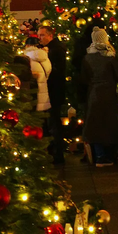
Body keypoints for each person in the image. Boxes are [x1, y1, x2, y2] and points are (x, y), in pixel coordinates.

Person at [81, 27, 118, 166]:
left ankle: (99, 155)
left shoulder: (87, 57)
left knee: (95, 125)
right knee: (109, 124)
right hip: (109, 94)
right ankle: (110, 155)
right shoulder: (110, 57)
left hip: (94, 94)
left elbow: (84, 78)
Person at [38, 25, 67, 166]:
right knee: (50, 123)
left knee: (54, 123)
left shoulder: (55, 50)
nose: (40, 38)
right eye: (39, 35)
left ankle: (58, 154)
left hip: (54, 91)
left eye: (42, 35)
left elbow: (58, 71)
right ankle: (52, 152)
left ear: (50, 35)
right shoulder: (47, 49)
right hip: (50, 91)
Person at [23, 37, 52, 116]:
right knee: (43, 117)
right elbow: (49, 70)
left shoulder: (26, 58)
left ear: (27, 45)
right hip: (44, 90)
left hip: (32, 92)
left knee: (33, 118)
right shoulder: (45, 56)